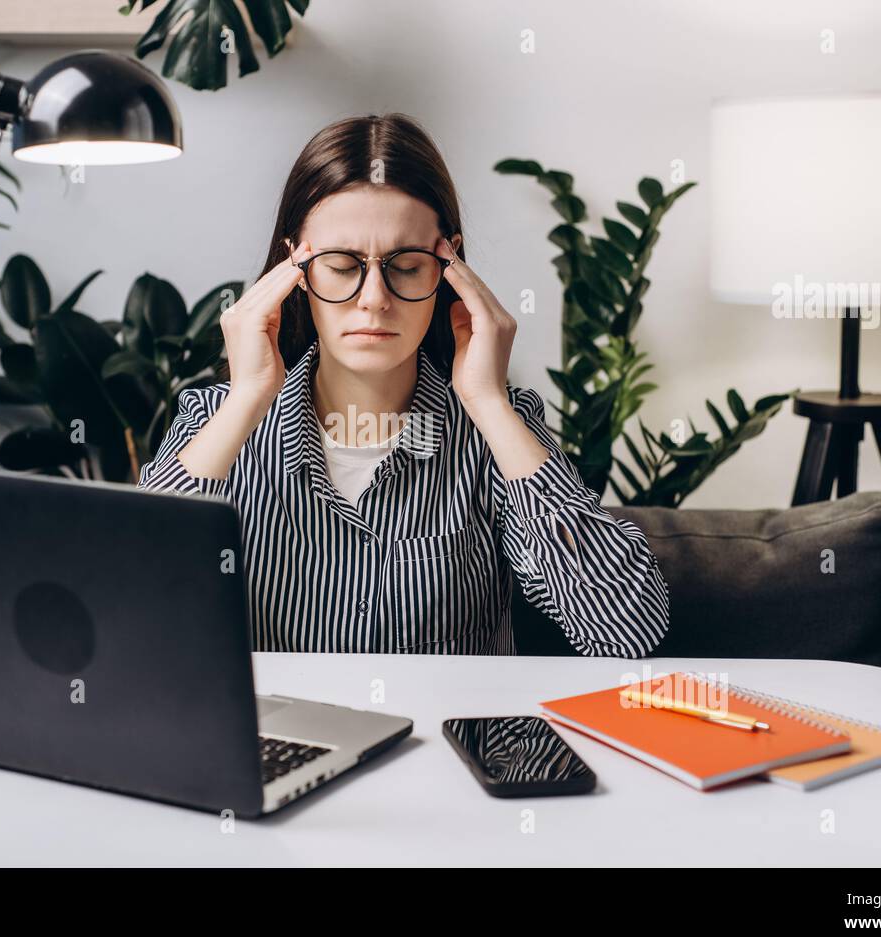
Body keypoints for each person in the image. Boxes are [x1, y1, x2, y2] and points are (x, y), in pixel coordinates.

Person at [139, 113, 669, 656]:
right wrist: (247, 397)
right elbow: (130, 606)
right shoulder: (214, 420)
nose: (374, 297)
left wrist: (488, 403)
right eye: (342, 264)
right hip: (281, 740)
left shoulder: (496, 431)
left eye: (407, 265)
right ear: (294, 269)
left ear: (447, 267)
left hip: (451, 741)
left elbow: (626, 632)